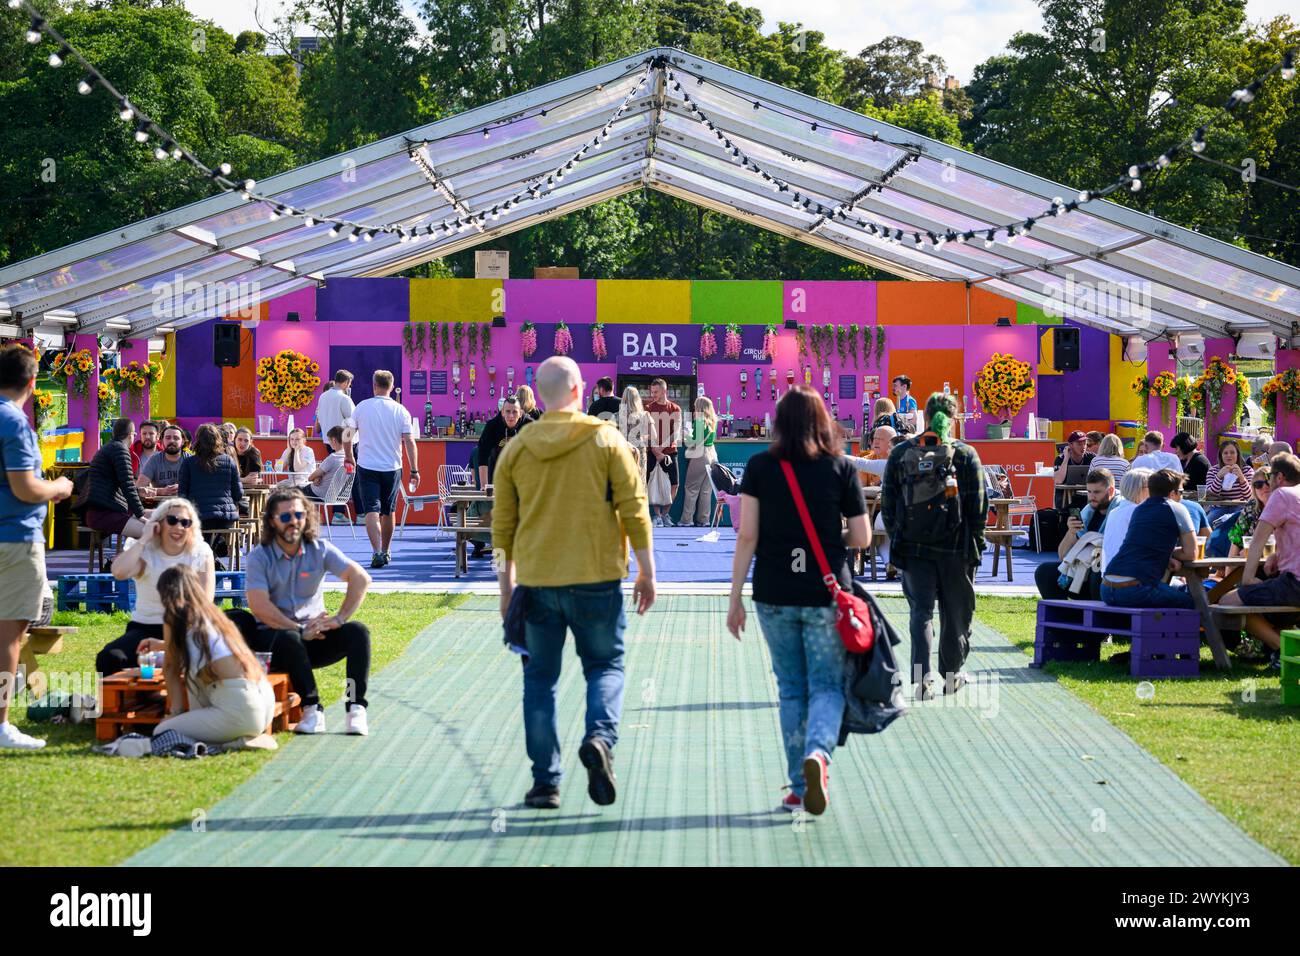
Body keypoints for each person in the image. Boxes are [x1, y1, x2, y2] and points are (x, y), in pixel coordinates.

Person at [492, 356, 654, 810]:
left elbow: (501, 528)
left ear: (538, 395)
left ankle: (546, 782)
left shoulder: (518, 448)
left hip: (537, 582)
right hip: (597, 579)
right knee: (605, 667)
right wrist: (647, 570)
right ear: (580, 390)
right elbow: (634, 508)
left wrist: (505, 587)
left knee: (539, 681)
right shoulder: (607, 439)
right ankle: (600, 738)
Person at [727, 386, 869, 815]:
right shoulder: (841, 468)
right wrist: (830, 539)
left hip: (773, 592)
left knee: (791, 688)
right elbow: (862, 537)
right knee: (827, 685)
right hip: (826, 592)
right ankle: (819, 754)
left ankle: (797, 787)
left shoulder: (759, 467)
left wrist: (734, 599)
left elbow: (747, 535)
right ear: (823, 421)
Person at [227, 487, 373, 734]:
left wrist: (339, 619)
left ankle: (356, 708)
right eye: (285, 517)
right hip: (275, 641)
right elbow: (259, 606)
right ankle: (312, 709)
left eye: (299, 515)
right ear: (272, 521)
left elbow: (361, 578)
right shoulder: (259, 556)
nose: (293, 521)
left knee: (358, 632)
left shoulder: (319, 549)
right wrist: (299, 629)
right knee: (289, 637)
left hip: (315, 636)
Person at [882, 392, 986, 699]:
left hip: (914, 549)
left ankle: (922, 679)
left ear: (924, 417)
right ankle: (952, 676)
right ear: (952, 419)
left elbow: (888, 505)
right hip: (957, 549)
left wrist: (900, 537)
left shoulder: (901, 453)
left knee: (921, 612)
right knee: (955, 613)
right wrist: (976, 544)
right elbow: (978, 506)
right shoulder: (965, 454)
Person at [0, 345, 74, 750]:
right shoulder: (14, 423)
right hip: (14, 538)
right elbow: (26, 488)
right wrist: (59, 486)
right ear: (32, 383)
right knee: (9, 637)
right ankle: (2, 725)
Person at [153, 565, 276, 745]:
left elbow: (171, 667)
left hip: (241, 709)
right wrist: (161, 645)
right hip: (265, 703)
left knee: (162, 731)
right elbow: (194, 645)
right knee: (198, 678)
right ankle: (242, 738)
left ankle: (233, 740)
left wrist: (174, 715)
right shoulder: (216, 616)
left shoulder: (174, 614)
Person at [96, 498, 215, 676]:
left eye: (185, 522)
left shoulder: (201, 552)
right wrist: (144, 538)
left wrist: (176, 640)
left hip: (185, 627)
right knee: (110, 657)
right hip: (145, 627)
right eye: (172, 520)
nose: (179, 527)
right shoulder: (146, 550)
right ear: (158, 524)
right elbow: (119, 572)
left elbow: (205, 601)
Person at [1220, 453, 1300, 660]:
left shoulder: (1281, 495)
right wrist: (1277, 555)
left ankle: (1284, 650)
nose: (1268, 482)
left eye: (1270, 476)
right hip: (1289, 581)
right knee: (1276, 609)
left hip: (1295, 584)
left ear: (1279, 477)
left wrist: (1247, 579)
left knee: (1227, 602)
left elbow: (1257, 540)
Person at [348, 370, 418, 569]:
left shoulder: (361, 407)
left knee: (371, 510)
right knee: (389, 511)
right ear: (391, 386)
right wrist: (414, 470)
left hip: (367, 466)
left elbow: (346, 434)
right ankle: (386, 550)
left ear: (374, 386)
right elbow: (409, 441)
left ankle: (377, 551)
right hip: (392, 467)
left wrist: (348, 455)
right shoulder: (401, 410)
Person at [1100, 469, 1197, 610]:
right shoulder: (1177, 508)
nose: (1182, 497)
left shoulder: (1139, 509)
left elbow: (1140, 546)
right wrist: (1168, 553)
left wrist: (1166, 554)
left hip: (1106, 588)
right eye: (1181, 492)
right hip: (1135, 589)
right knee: (1193, 603)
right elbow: (1191, 553)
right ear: (1172, 493)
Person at [1034, 468, 1118, 601]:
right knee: (1044, 572)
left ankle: (1096, 613)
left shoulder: (1120, 511)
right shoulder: (1087, 512)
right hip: (1082, 569)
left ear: (1111, 491)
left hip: (1106, 571)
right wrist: (1071, 532)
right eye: (1089, 491)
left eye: (1097, 492)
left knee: (1097, 573)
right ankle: (1064, 614)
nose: (1092, 497)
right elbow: (1063, 556)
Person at [469, 396, 529, 558]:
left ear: (521, 412)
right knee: (491, 511)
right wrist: (484, 485)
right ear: (502, 412)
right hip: (496, 475)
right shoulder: (492, 426)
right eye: (507, 412)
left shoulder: (529, 425)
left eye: (514, 412)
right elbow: (482, 456)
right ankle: (485, 545)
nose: (511, 416)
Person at [178, 423, 243, 564]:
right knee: (212, 530)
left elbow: (182, 495)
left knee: (201, 530)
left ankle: (209, 560)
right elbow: (238, 494)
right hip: (225, 518)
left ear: (198, 440)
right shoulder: (229, 461)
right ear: (218, 440)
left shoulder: (188, 463)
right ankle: (212, 558)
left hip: (198, 517)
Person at [85, 418, 150, 545]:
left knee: (158, 516)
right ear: (130, 435)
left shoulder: (109, 447)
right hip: (104, 514)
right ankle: (127, 558)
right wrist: (140, 515)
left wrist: (138, 491)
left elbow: (119, 483)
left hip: (102, 511)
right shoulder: (120, 450)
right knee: (154, 532)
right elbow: (127, 485)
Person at [1204, 439, 1254, 557]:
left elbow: (1249, 496)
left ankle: (1234, 554)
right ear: (1221, 456)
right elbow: (1211, 496)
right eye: (1225, 453)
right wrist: (1219, 477)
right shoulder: (1213, 470)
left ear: (1238, 454)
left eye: (1232, 452)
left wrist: (1241, 478)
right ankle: (1209, 552)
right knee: (1208, 524)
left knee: (1241, 526)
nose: (1229, 456)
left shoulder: (1247, 470)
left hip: (1240, 508)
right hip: (1219, 507)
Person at [1100, 468, 1152, 574]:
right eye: (1152, 487)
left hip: (1108, 576)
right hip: (1129, 577)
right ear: (1141, 489)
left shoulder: (1115, 511)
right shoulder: (1139, 512)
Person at [645, 378, 682, 527]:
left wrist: (661, 448)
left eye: (656, 392)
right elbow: (647, 432)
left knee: (675, 484)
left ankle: (665, 514)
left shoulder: (675, 408)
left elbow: (676, 432)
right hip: (652, 452)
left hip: (670, 452)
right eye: (652, 392)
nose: (653, 395)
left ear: (664, 391)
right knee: (653, 484)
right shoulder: (648, 408)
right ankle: (657, 516)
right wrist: (656, 451)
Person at [680, 396, 718, 527]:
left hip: (700, 455)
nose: (694, 408)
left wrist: (685, 434)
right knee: (706, 490)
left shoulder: (699, 421)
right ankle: (704, 520)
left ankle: (687, 520)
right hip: (712, 454)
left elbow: (693, 442)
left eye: (696, 406)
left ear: (700, 407)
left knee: (691, 488)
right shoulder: (713, 421)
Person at [1227, 467, 1272, 557]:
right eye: (1259, 485)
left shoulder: (1285, 508)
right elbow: (1236, 539)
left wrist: (1254, 550)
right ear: (1254, 489)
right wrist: (1231, 564)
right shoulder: (1251, 507)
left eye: (1268, 482)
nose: (1264, 486)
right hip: (1250, 560)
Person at [315, 369, 357, 467]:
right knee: (349, 472)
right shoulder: (344, 398)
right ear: (346, 382)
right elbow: (353, 421)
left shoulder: (322, 396)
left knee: (335, 471)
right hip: (344, 443)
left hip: (329, 440)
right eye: (349, 383)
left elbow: (319, 418)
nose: (349, 386)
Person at [300, 426, 346, 503]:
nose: (329, 443)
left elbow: (310, 477)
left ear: (334, 440)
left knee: (290, 493)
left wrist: (315, 478)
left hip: (319, 494)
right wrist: (319, 477)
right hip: (338, 496)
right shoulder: (349, 458)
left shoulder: (333, 458)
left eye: (329, 440)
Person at [137, 424, 186, 496]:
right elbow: (138, 487)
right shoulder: (154, 460)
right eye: (168, 438)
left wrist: (183, 488)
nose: (172, 441)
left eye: (176, 438)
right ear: (162, 440)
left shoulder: (190, 460)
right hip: (160, 502)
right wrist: (161, 491)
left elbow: (200, 487)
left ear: (183, 441)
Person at [620, 385, 650, 479]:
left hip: (622, 452)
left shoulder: (616, 416)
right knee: (640, 481)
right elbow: (653, 435)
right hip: (639, 452)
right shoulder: (644, 415)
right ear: (637, 399)